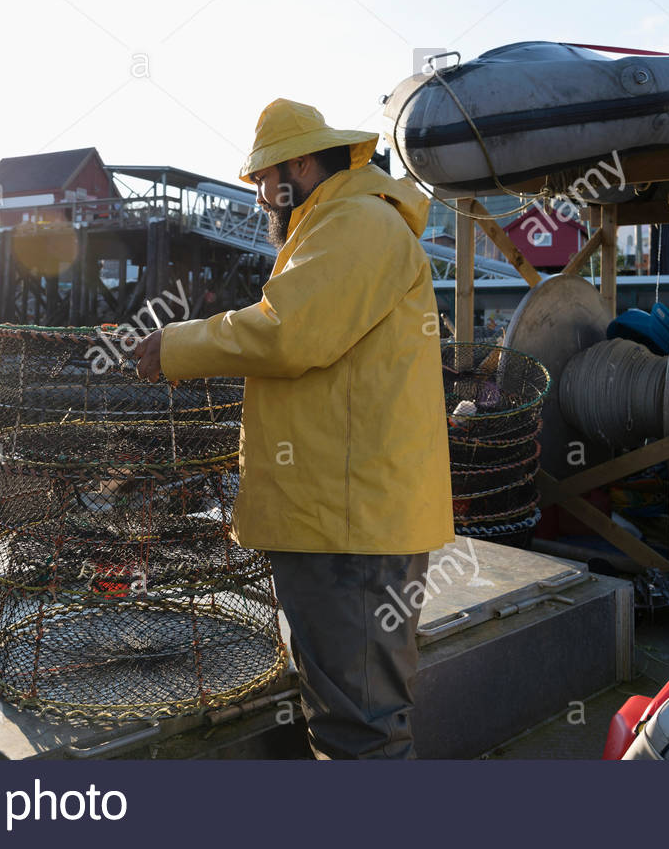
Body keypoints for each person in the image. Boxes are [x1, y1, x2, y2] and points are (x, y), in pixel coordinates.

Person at [134, 98, 452, 759]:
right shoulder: (340, 222)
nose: (257, 196)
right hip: (339, 520)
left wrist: (176, 348)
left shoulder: (357, 221)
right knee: (352, 715)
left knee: (361, 730)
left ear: (301, 164)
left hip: (351, 529)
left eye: (262, 179)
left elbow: (288, 333)